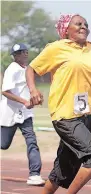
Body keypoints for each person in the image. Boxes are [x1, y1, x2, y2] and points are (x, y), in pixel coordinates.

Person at [25, 14, 91, 194]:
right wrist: (33, 90)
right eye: (78, 24)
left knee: (63, 169)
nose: (83, 27)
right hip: (64, 114)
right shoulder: (56, 48)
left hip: (85, 114)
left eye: (86, 24)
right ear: (66, 29)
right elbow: (31, 68)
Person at [0, 43, 45, 186]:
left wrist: (36, 97)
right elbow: (5, 91)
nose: (24, 54)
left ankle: (34, 174)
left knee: (32, 142)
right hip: (10, 114)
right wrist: (23, 101)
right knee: (4, 144)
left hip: (25, 114)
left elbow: (28, 89)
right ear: (14, 56)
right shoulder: (11, 70)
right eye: (20, 52)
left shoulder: (28, 70)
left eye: (25, 51)